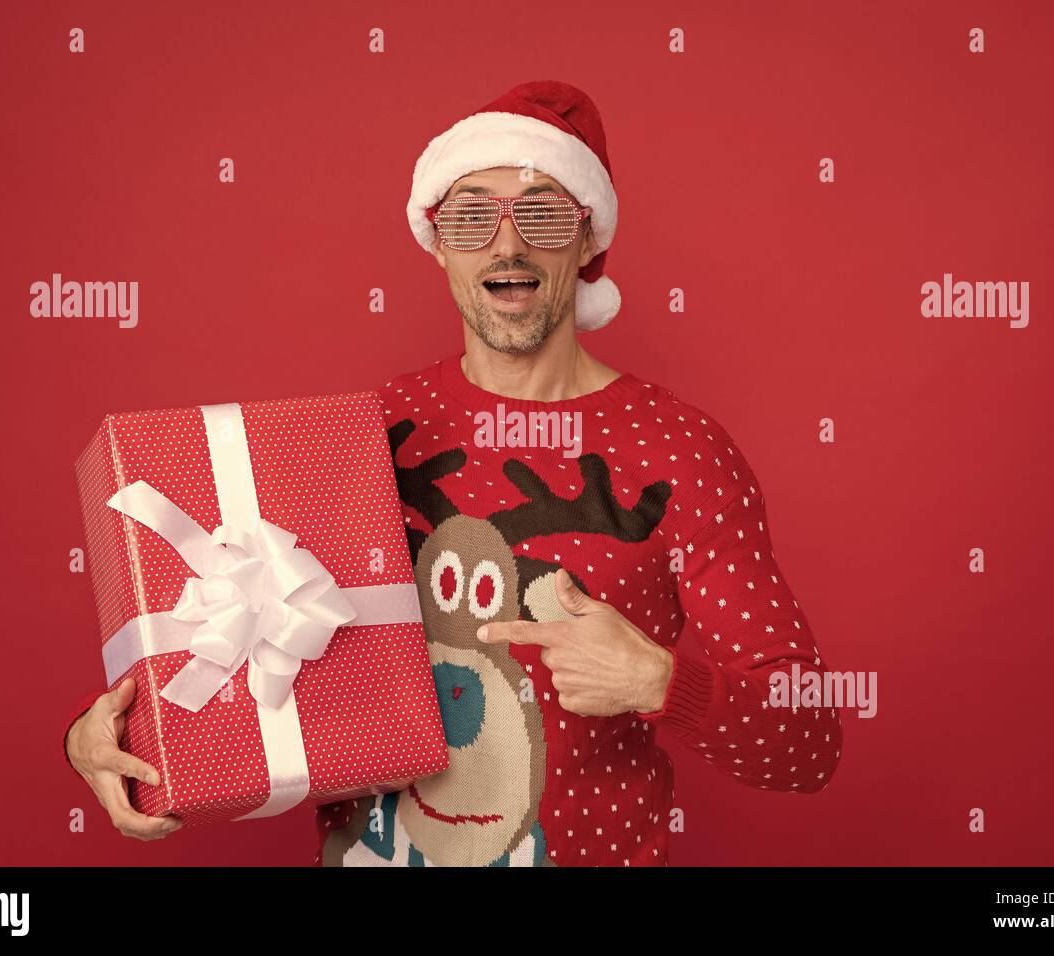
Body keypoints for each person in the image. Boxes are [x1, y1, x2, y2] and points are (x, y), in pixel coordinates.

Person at [63, 80, 844, 865]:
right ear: (437, 241)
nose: (508, 247)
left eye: (540, 213)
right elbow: (217, 633)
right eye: (473, 215)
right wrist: (95, 739)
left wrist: (661, 682)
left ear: (587, 239)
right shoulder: (355, 438)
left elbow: (810, 741)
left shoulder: (681, 449)